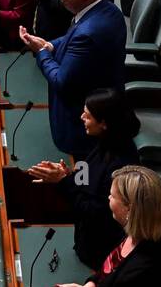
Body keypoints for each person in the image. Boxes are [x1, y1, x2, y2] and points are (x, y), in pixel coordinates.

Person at [20, 0, 127, 157]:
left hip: (79, 125)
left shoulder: (89, 32)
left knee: (81, 174)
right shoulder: (109, 10)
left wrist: (42, 51)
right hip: (101, 103)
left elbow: (62, 81)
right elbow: (72, 37)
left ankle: (80, 182)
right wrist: (51, 45)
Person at [28, 88, 140, 271]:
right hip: (84, 237)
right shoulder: (104, 142)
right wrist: (67, 175)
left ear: (103, 123)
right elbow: (86, 175)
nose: (81, 117)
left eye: (87, 116)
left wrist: (63, 181)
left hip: (98, 252)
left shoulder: (120, 167)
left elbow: (95, 213)